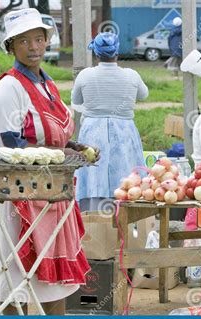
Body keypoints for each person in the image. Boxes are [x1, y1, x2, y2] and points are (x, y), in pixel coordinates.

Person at [0, 9, 92, 315]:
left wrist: (73, 145)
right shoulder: (9, 88)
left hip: (52, 195)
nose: (34, 47)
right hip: (19, 200)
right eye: (24, 41)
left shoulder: (48, 84)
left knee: (53, 285)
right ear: (11, 47)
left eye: (39, 39)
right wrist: (59, 154)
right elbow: (12, 144)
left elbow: (54, 135)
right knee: (18, 281)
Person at [72, 32, 149, 212]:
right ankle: (126, 216)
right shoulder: (131, 75)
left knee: (93, 172)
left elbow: (76, 99)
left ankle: (92, 218)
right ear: (117, 52)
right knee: (125, 170)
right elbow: (144, 94)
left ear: (96, 54)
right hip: (124, 129)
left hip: (92, 130)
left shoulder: (85, 75)